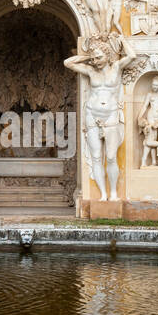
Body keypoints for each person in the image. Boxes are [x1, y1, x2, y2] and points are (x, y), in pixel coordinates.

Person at [64, 33, 138, 201]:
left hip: (111, 116)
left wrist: (122, 40)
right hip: (92, 115)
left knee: (111, 157)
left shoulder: (117, 68)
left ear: (107, 55)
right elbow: (67, 63)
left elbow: (132, 55)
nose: (96, 60)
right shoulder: (90, 70)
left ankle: (113, 193)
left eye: (99, 57)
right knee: (96, 157)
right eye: (94, 58)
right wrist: (87, 57)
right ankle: (103, 194)